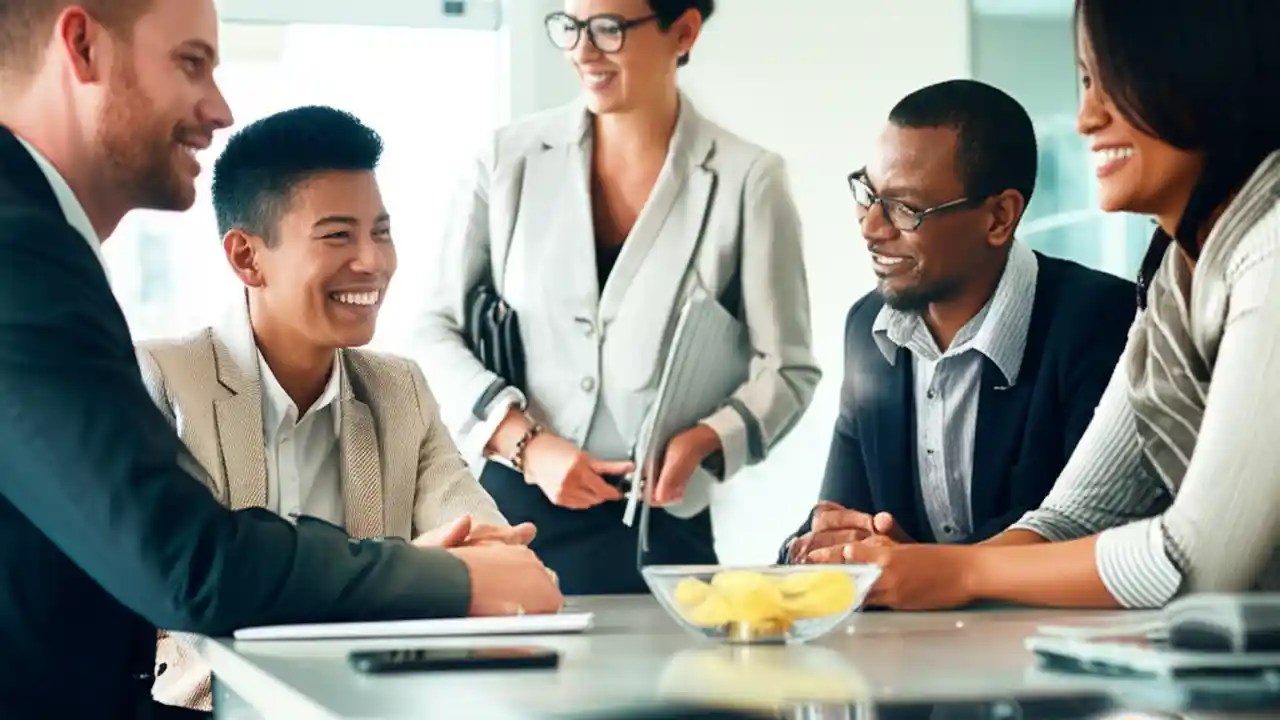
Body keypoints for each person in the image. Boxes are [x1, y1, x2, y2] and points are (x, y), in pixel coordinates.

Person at [0, 2, 560, 717]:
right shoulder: (24, 250)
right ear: (82, 46)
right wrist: (441, 577)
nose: (221, 106)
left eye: (380, 231)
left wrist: (459, 566)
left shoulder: (41, 243)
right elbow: (188, 566)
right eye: (190, 62)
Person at [814, 0, 1280, 611]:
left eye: (1119, 77)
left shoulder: (1267, 252)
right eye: (1088, 80)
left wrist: (958, 575)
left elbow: (1195, 560)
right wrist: (921, 568)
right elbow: (1072, 514)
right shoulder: (1171, 278)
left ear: (1214, 74)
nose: (1087, 116)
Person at [414, 0, 820, 594]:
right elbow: (433, 327)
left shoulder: (747, 179)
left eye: (608, 28)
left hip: (662, 521)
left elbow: (788, 368)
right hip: (511, 514)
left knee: (668, 687)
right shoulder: (504, 162)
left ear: (682, 31)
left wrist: (706, 440)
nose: (582, 50)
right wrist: (525, 443)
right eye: (570, 26)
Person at [141, 105, 537, 712]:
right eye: (337, 235)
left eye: (380, 231)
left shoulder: (399, 389)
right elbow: (183, 597)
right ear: (247, 257)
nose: (373, 261)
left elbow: (495, 556)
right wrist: (407, 576)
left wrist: (454, 571)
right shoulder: (164, 382)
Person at [782, 80, 1133, 562]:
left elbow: (1081, 529)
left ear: (998, 217)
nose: (870, 227)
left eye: (905, 208)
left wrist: (923, 569)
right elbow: (839, 515)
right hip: (917, 637)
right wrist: (806, 551)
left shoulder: (1102, 321)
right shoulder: (868, 327)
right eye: (868, 193)